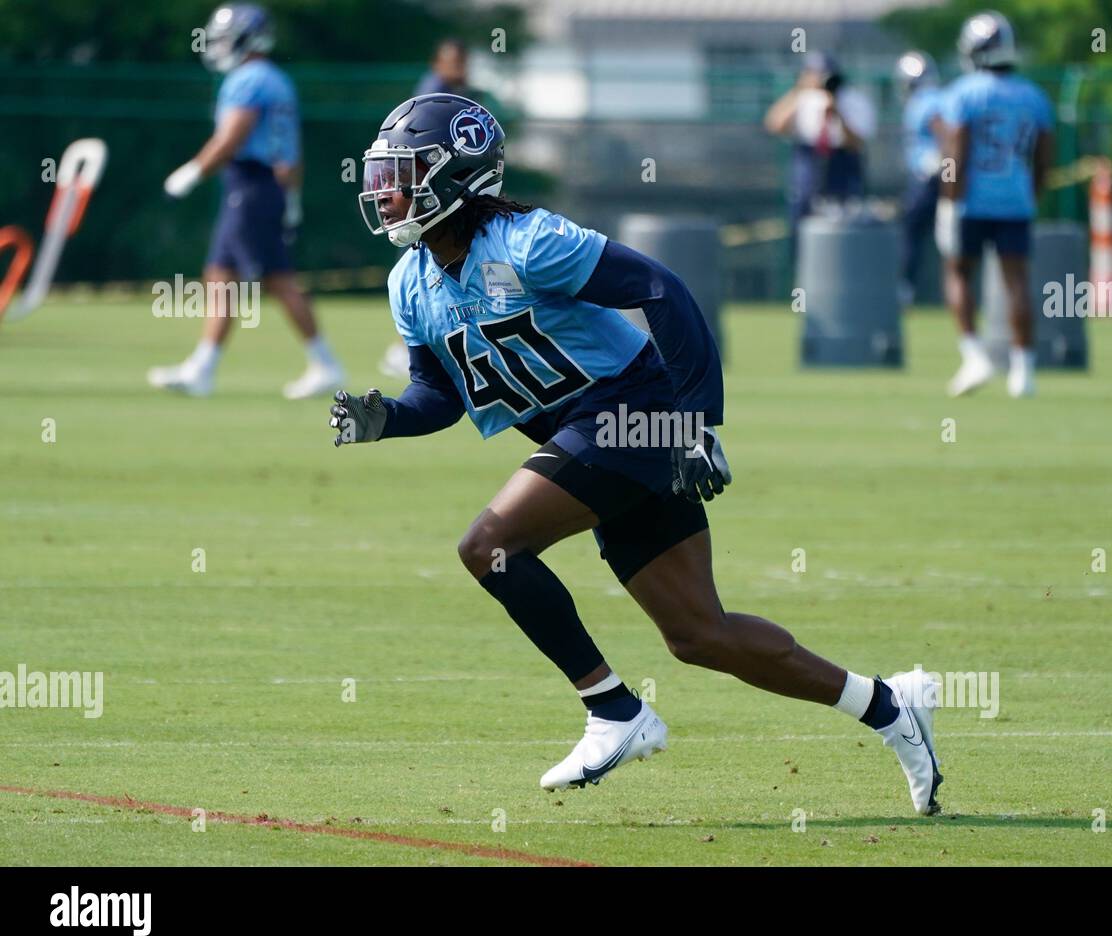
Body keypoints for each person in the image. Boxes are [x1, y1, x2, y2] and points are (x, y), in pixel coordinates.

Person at [330, 93, 944, 813]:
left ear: (455, 174)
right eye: (382, 176)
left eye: (403, 173)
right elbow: (438, 395)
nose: (384, 192)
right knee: (699, 634)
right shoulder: (412, 283)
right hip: (589, 442)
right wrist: (387, 421)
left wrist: (695, 424)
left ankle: (614, 710)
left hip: (634, 412)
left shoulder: (528, 242)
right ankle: (889, 706)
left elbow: (662, 289)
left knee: (488, 546)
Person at [150, 3, 343, 399]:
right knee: (221, 274)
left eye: (225, 37)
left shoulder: (250, 79)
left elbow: (232, 137)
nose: (218, 45)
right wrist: (290, 195)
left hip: (251, 186)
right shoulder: (275, 78)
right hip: (262, 186)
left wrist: (192, 172)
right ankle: (203, 366)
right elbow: (289, 148)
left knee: (276, 279)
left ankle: (325, 364)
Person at [935, 11, 1053, 398]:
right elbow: (1044, 158)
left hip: (972, 201)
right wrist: (1031, 194)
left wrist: (949, 198)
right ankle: (1024, 370)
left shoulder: (965, 93)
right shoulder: (1034, 97)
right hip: (1016, 199)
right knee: (1017, 280)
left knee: (958, 272)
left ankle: (975, 355)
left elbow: (956, 152)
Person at [379, 38, 499, 379]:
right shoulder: (436, 92)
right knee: (424, 272)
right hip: (434, 199)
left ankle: (417, 345)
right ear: (438, 63)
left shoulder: (458, 93)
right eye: (453, 62)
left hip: (448, 198)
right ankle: (409, 345)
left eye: (462, 62)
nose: (459, 69)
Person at [764, 52, 876, 262]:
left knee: (844, 219)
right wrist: (800, 89)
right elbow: (774, 124)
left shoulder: (853, 100)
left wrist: (837, 112)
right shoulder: (802, 100)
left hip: (842, 163)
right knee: (802, 216)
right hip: (809, 161)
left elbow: (857, 143)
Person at [895, 50, 946, 305]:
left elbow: (944, 134)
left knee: (914, 231)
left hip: (931, 178)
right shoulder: (929, 99)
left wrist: (941, 165)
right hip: (934, 177)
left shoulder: (928, 101)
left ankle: (906, 289)